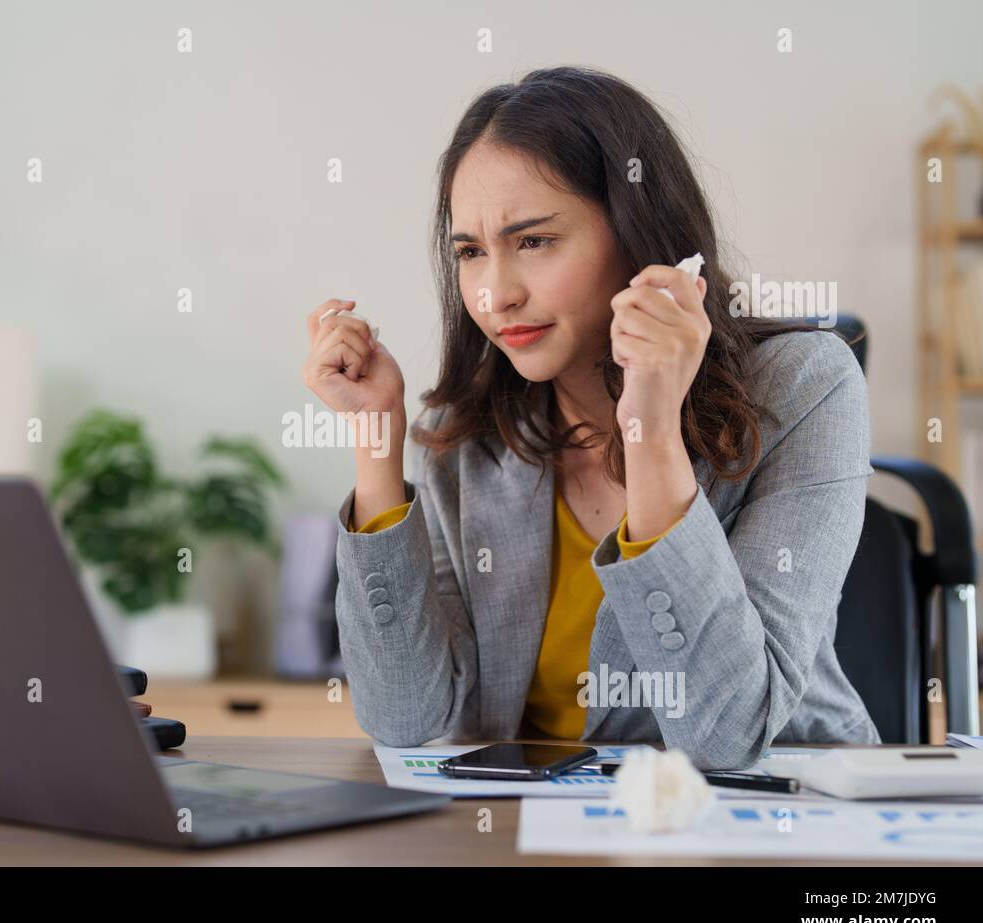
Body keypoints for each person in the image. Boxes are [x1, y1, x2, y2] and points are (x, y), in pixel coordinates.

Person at [300, 66, 880, 771]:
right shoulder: (468, 432)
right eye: (471, 252)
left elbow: (725, 734)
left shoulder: (805, 387)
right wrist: (375, 443)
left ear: (638, 236)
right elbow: (403, 717)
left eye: (535, 241)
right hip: (529, 828)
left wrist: (653, 430)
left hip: (777, 816)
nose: (496, 294)